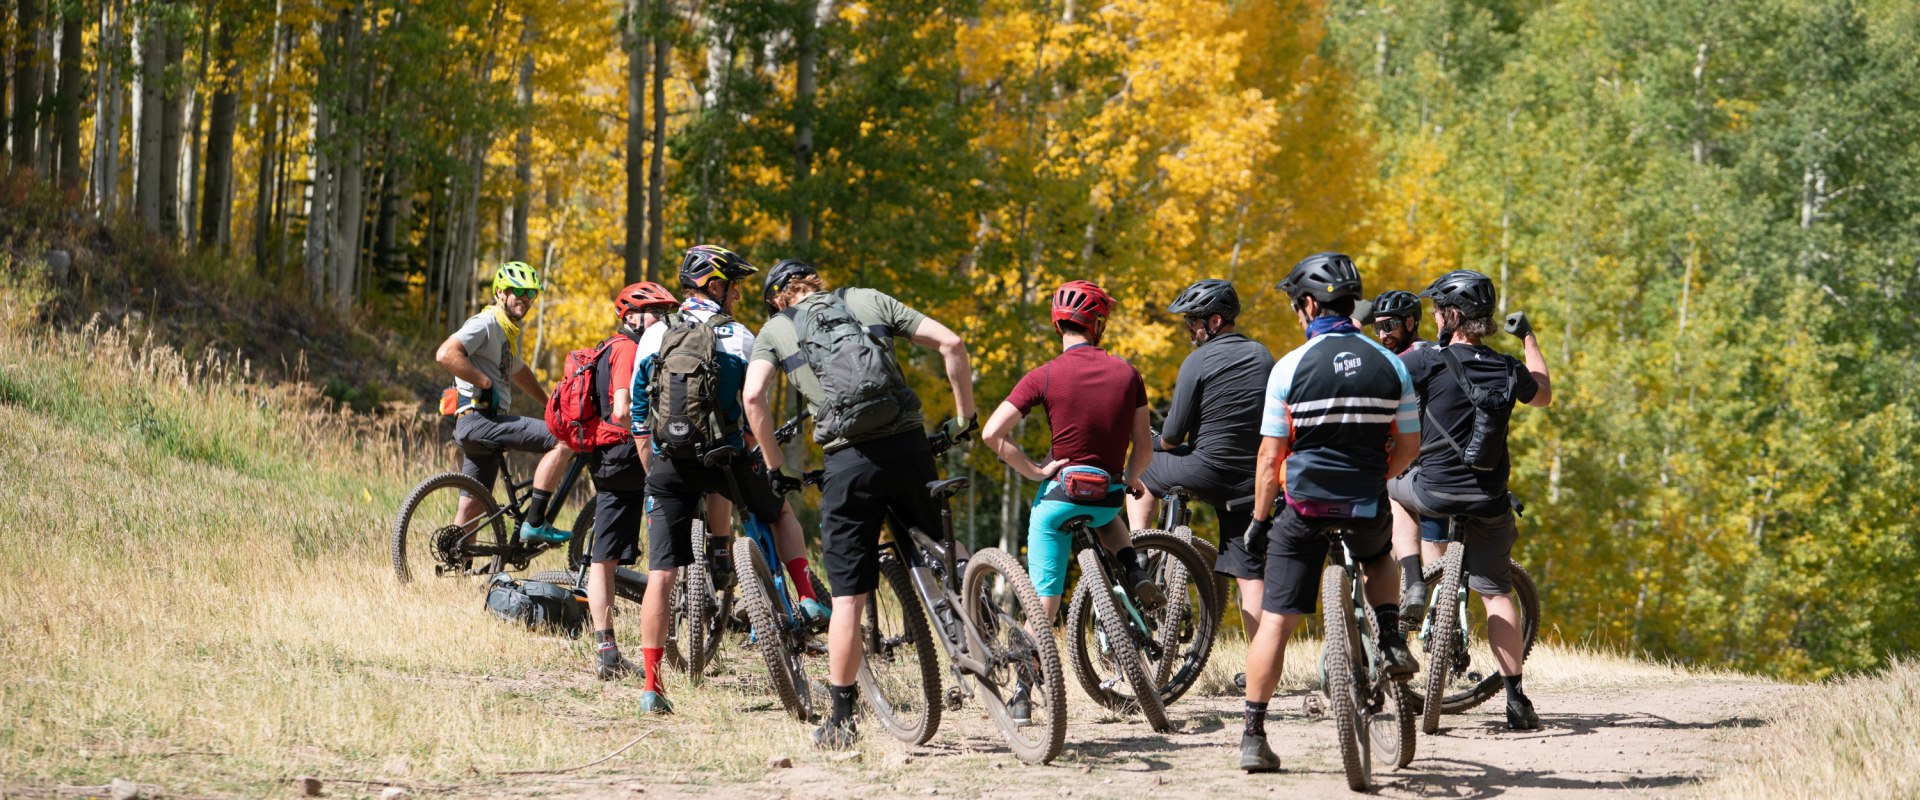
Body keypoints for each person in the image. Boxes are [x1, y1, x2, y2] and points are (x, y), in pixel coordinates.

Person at [742, 258, 976, 750]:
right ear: (815, 283)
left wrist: (776, 463)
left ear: (777, 297)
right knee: (940, 548)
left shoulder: (775, 329)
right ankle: (1004, 645)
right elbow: (952, 343)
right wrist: (963, 418)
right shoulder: (866, 299)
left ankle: (842, 718)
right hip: (909, 446)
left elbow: (753, 398)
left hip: (848, 464)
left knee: (848, 595)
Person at [1238, 252, 1422, 773]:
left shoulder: (1289, 367)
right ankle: (1389, 635)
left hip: (1302, 506)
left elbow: (1271, 457)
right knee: (1379, 556)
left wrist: (1257, 520)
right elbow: (1410, 444)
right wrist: (1377, 476)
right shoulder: (1389, 364)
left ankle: (1253, 733)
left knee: (1276, 619)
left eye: (1298, 305)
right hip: (1365, 499)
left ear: (1311, 305)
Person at [629, 245, 818, 715]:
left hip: (670, 460)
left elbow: (638, 414)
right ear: (714, 286)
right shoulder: (743, 337)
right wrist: (764, 464)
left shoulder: (655, 335)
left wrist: (655, 471)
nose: (737, 294)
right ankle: (809, 598)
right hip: (728, 455)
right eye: (733, 285)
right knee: (780, 513)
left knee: (660, 574)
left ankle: (652, 687)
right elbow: (753, 408)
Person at [981, 280, 1156, 724]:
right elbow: (1144, 445)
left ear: (1059, 323)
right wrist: (1131, 479)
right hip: (1107, 492)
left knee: (1043, 602)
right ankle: (1133, 567)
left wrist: (1036, 472)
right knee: (1110, 514)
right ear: (1097, 325)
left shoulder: (1044, 374)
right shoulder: (1128, 373)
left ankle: (1022, 694)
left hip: (1061, 494)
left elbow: (991, 434)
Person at [1388, 269, 1552, 731]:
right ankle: (1516, 699)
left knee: (1393, 492)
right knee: (1498, 594)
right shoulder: (1506, 367)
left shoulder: (1428, 362)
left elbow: (1382, 387)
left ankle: (1414, 580)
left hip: (1432, 492)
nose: (1434, 317)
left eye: (1438, 310)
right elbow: (1543, 394)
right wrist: (1529, 338)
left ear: (1452, 316)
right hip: (1489, 501)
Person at [1124, 278, 1275, 652]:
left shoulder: (1198, 361)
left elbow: (1174, 436)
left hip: (1203, 468)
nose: (1189, 328)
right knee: (1249, 574)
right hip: (1250, 480)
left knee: (1142, 468)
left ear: (1215, 322)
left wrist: (1153, 442)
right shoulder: (1263, 355)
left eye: (1193, 320)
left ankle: (1139, 553)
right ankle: (1259, 660)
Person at [435, 261, 574, 544]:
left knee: (471, 506)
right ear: (500, 292)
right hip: (481, 420)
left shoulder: (505, 333)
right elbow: (446, 354)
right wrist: (483, 382)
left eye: (530, 293)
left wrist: (549, 404)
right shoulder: (485, 323)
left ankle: (458, 565)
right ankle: (535, 522)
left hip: (477, 427)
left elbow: (520, 372)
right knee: (565, 438)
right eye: (517, 290)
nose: (524, 297)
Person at [583, 281, 678, 681]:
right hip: (625, 454)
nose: (660, 319)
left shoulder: (612, 346)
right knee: (606, 556)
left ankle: (607, 647)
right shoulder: (626, 350)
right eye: (654, 311)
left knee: (603, 552)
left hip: (610, 457)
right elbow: (623, 410)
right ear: (631, 316)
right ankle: (609, 647)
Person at [1362, 288, 1439, 619]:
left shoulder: (1407, 360)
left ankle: (1413, 581)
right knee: (1439, 560)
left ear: (1411, 322)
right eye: (1376, 327)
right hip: (1443, 467)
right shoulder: (1440, 352)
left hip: (1418, 466)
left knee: (1392, 493)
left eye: (1389, 325)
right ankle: (1437, 623)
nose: (1382, 334)